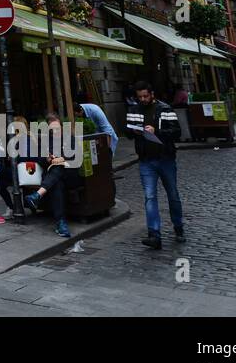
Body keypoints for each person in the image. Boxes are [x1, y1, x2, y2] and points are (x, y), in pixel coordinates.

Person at [125, 81, 184, 249]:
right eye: (140, 97)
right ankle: (154, 234)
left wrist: (156, 132)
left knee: (172, 194)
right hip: (146, 160)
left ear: (152, 94)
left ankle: (178, 227)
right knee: (150, 197)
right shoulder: (133, 110)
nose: (142, 99)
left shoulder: (165, 109)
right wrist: (134, 131)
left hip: (165, 158)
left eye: (145, 96)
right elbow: (128, 132)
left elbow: (176, 132)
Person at [23, 112, 71, 238]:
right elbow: (39, 159)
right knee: (57, 185)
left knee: (59, 167)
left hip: (69, 175)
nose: (55, 131)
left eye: (57, 128)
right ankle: (61, 223)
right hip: (52, 178)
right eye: (52, 129)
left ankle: (38, 195)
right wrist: (48, 159)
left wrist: (62, 158)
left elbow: (75, 156)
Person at [76, 90, 117, 159]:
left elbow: (107, 130)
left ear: (81, 111)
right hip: (93, 137)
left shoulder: (95, 110)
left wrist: (107, 148)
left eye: (78, 115)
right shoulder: (77, 111)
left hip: (104, 134)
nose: (78, 117)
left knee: (106, 158)